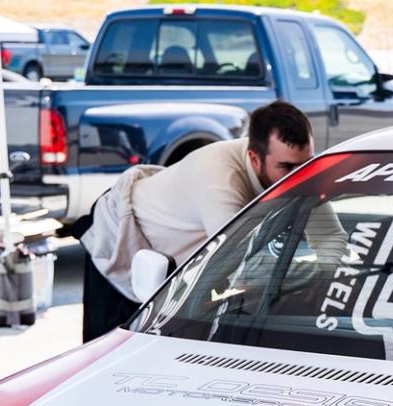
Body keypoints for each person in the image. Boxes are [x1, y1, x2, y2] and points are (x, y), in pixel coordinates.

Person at [77, 101, 316, 342]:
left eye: (306, 163)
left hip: (169, 257)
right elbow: (244, 270)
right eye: (286, 167)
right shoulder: (220, 185)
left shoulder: (287, 165)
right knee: (112, 353)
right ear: (255, 158)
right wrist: (316, 275)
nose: (301, 176)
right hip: (118, 238)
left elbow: (330, 237)